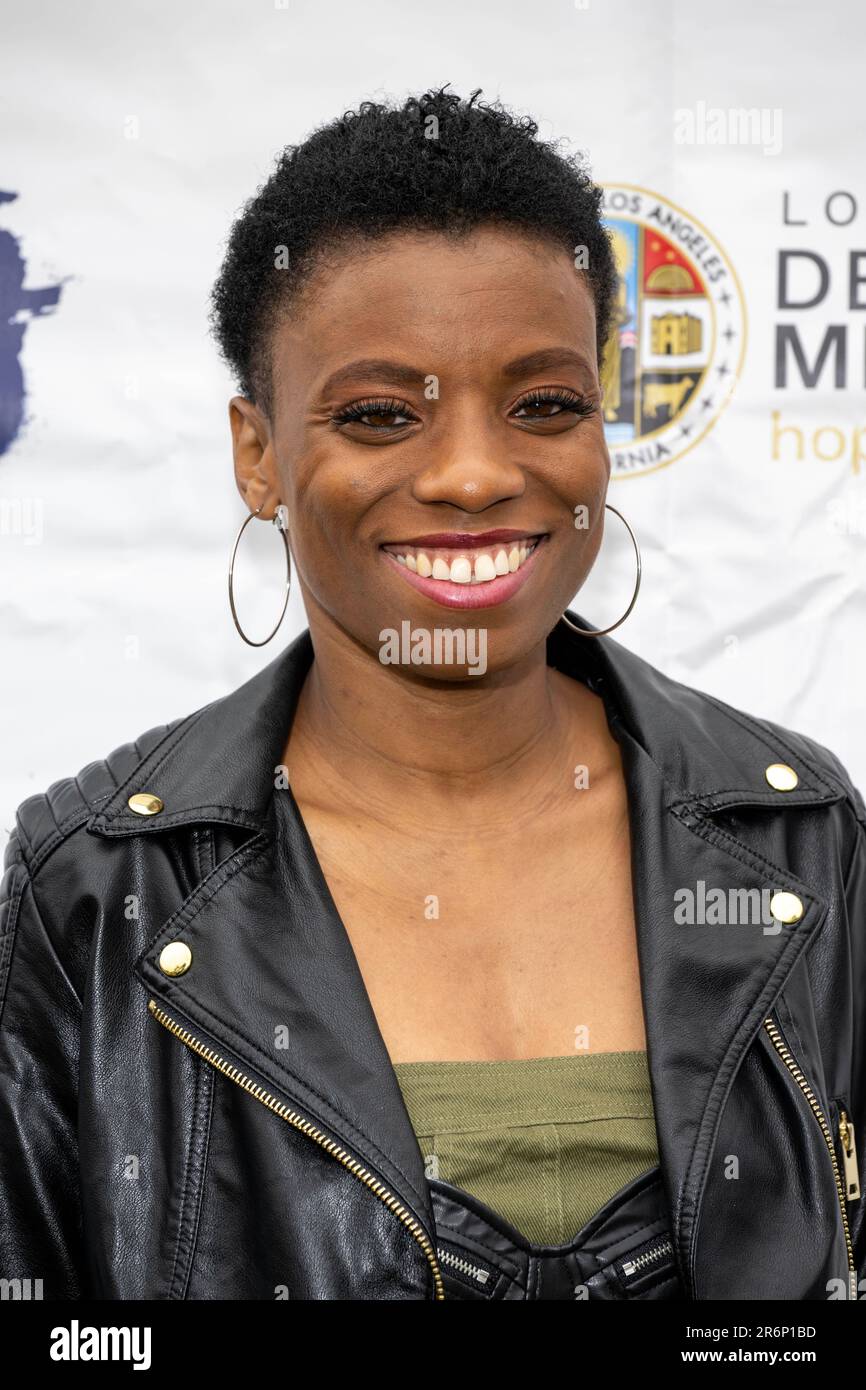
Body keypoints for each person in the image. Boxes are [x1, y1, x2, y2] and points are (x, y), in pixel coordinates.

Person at [1, 86, 864, 1302]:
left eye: (544, 404)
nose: (472, 471)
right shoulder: (97, 890)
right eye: (378, 414)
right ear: (259, 453)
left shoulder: (799, 841)